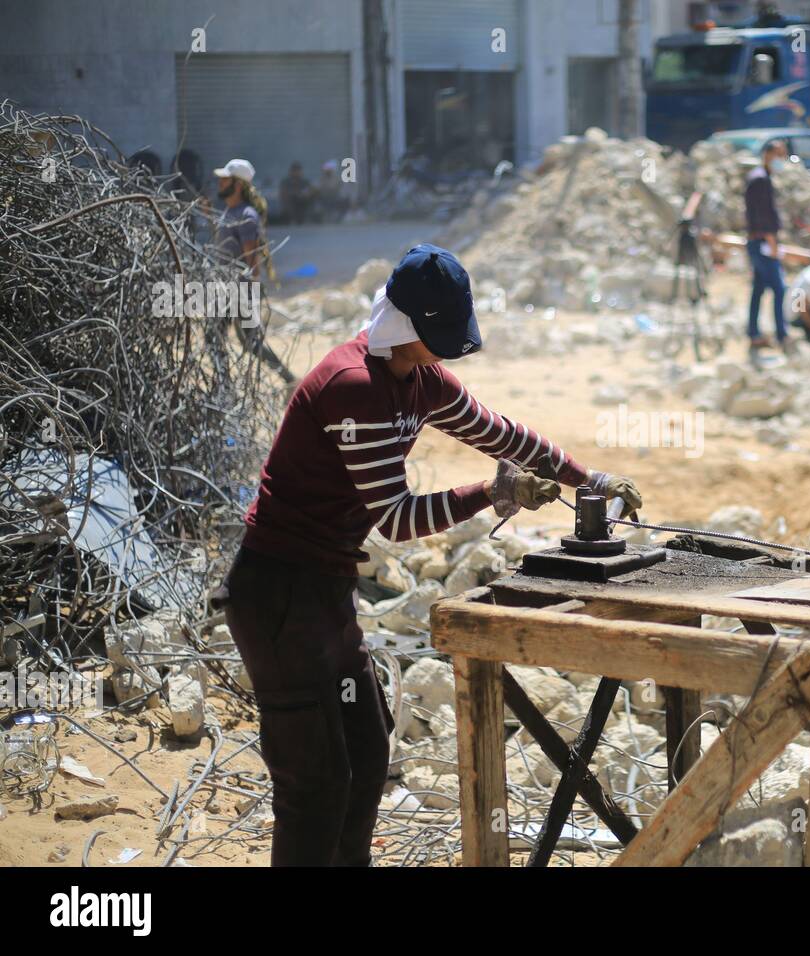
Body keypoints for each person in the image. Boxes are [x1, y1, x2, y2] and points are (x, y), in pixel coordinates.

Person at [213, 244, 642, 866]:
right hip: (279, 596)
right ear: (411, 327)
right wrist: (491, 493)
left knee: (366, 757)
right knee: (315, 784)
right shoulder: (353, 387)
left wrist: (588, 478)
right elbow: (397, 517)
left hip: (328, 592)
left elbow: (499, 432)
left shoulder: (418, 377)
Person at [212, 158, 295, 384]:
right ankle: (225, 387)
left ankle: (288, 379)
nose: (219, 183)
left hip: (238, 288)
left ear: (237, 185)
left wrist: (246, 294)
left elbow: (252, 263)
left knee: (246, 342)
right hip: (226, 286)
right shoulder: (229, 211)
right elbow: (225, 245)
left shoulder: (246, 216)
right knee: (228, 339)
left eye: (224, 180)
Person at [744, 140, 790, 358]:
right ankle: (782, 334)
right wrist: (772, 243)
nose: (782, 159)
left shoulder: (760, 178)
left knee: (759, 289)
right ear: (769, 154)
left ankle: (754, 333)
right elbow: (762, 215)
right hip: (762, 242)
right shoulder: (760, 180)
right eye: (780, 154)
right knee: (779, 288)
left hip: (758, 242)